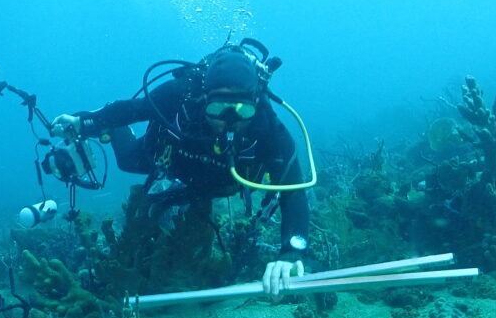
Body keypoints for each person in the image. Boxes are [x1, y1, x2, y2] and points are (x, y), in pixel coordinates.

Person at [50, 44, 312, 299]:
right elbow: (136, 109)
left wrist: (290, 253)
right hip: (174, 159)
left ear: (255, 101)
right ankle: (116, 131)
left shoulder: (269, 128)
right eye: (217, 109)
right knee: (127, 161)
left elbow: (294, 191)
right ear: (204, 98)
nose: (228, 120)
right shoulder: (182, 93)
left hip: (221, 183)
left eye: (242, 110)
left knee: (198, 200)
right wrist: (83, 122)